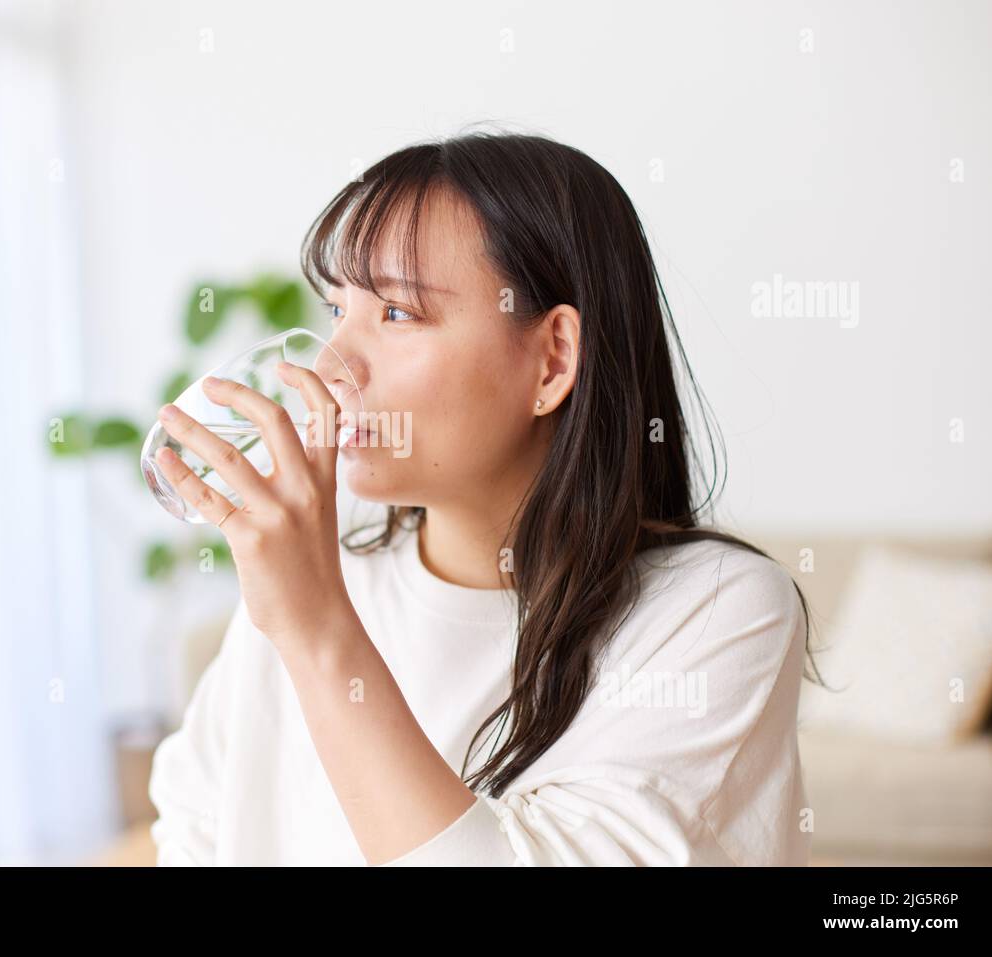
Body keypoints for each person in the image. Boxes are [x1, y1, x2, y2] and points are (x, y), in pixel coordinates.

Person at [147, 130, 825, 866]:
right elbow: (197, 816)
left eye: (399, 313)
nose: (334, 361)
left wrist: (317, 630)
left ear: (552, 359)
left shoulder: (717, 612)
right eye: (339, 309)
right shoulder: (322, 569)